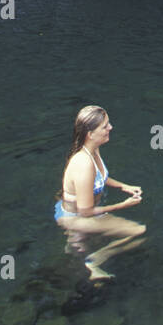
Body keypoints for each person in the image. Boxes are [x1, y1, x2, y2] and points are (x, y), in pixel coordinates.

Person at [54, 104, 145, 281]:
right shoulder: (83, 163)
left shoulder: (92, 149)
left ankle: (79, 256)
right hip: (75, 217)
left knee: (77, 248)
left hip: (79, 213)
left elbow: (99, 178)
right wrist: (123, 205)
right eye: (105, 126)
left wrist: (123, 186)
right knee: (138, 232)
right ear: (90, 134)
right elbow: (85, 211)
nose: (110, 127)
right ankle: (94, 261)